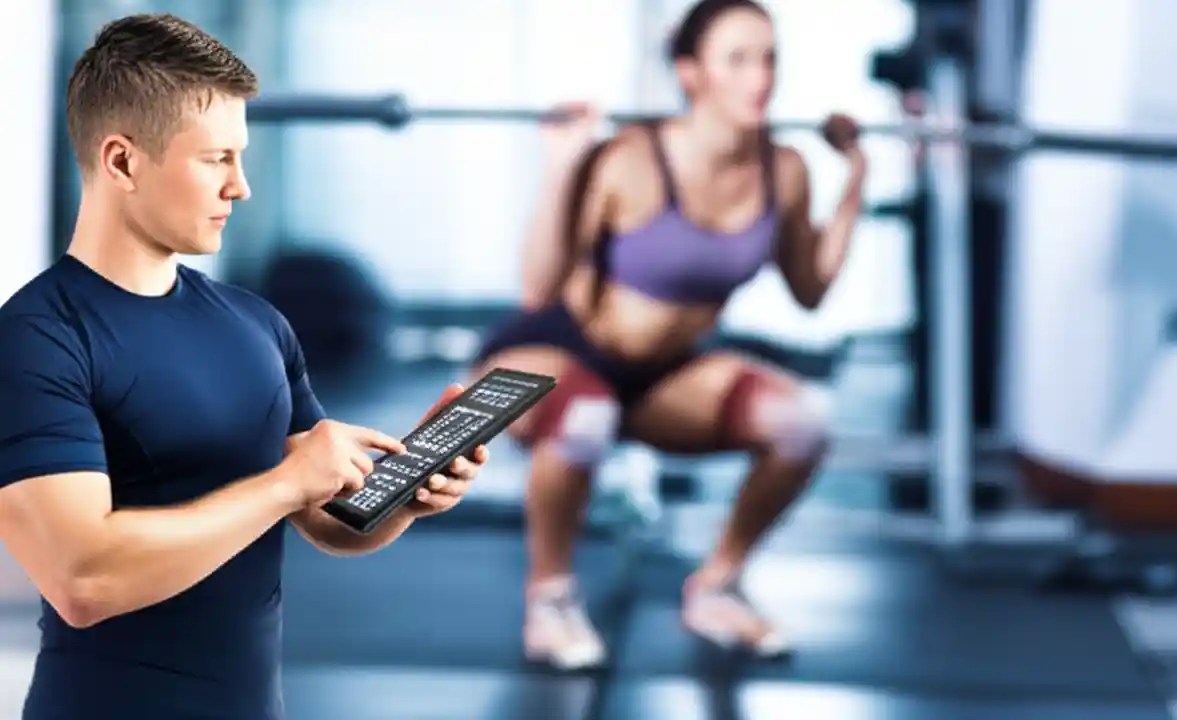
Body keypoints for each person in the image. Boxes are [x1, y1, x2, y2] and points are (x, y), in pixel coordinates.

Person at [0, 14, 488, 719]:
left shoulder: (255, 324)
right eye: (215, 159)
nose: (241, 187)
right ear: (122, 162)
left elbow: (330, 521)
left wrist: (406, 493)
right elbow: (83, 578)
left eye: (241, 157)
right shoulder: (35, 339)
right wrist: (288, 481)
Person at [471, 0, 867, 670]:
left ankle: (719, 586)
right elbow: (538, 288)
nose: (760, 77)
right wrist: (565, 164)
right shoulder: (632, 158)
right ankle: (550, 599)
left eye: (769, 58)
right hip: (555, 350)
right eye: (737, 60)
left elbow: (811, 291)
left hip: (666, 373)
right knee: (588, 416)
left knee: (801, 425)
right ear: (691, 73)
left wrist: (856, 174)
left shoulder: (787, 170)